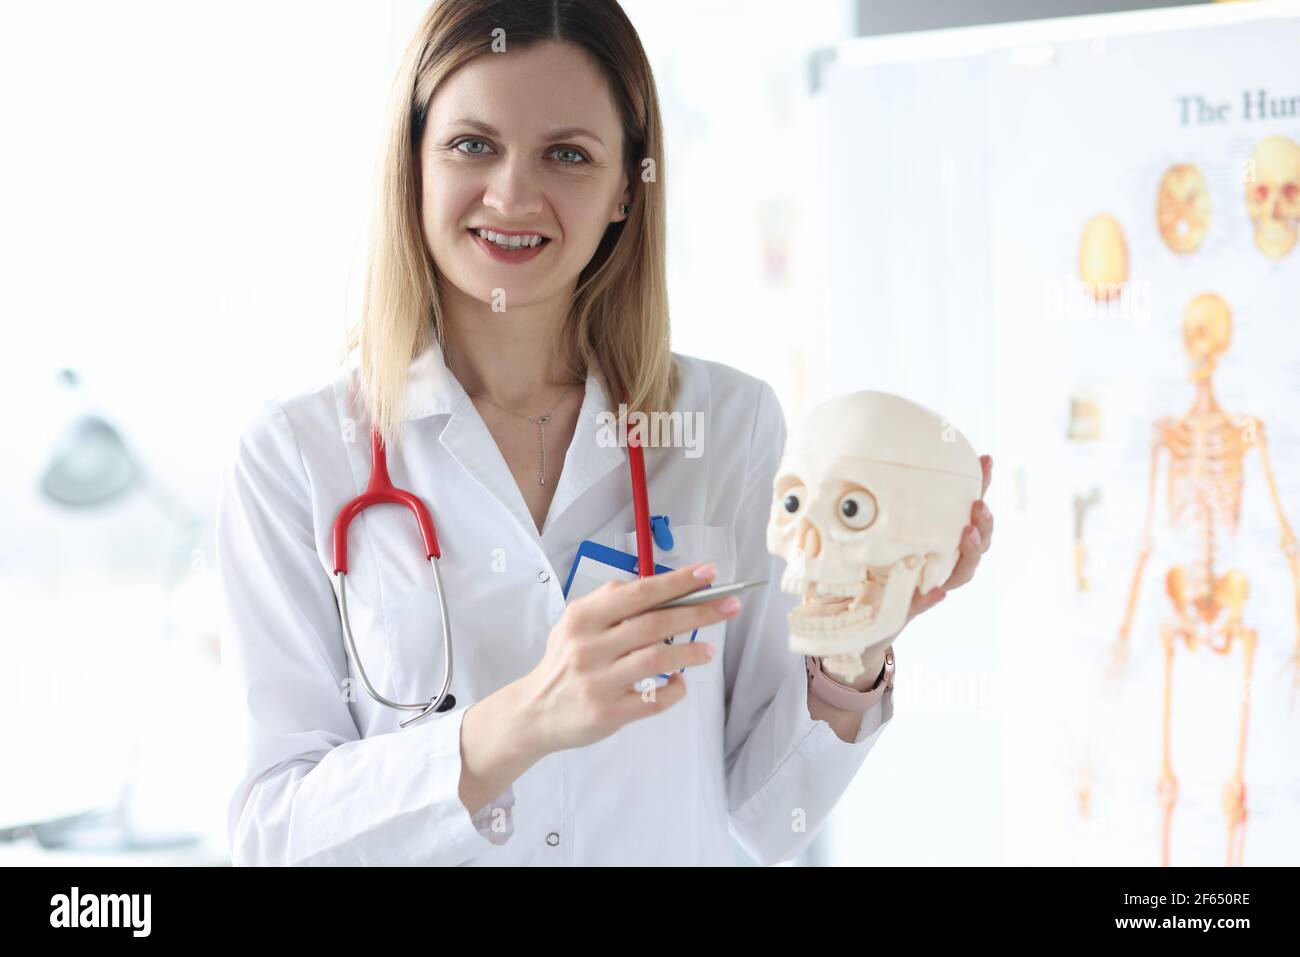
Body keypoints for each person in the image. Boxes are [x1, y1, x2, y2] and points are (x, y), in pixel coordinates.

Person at [215, 0, 994, 866]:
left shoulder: (728, 428)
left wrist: (853, 654)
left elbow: (768, 820)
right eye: (473, 144)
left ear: (629, 185)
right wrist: (524, 718)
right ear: (414, 165)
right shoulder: (295, 458)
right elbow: (272, 834)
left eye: (568, 154)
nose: (512, 193)